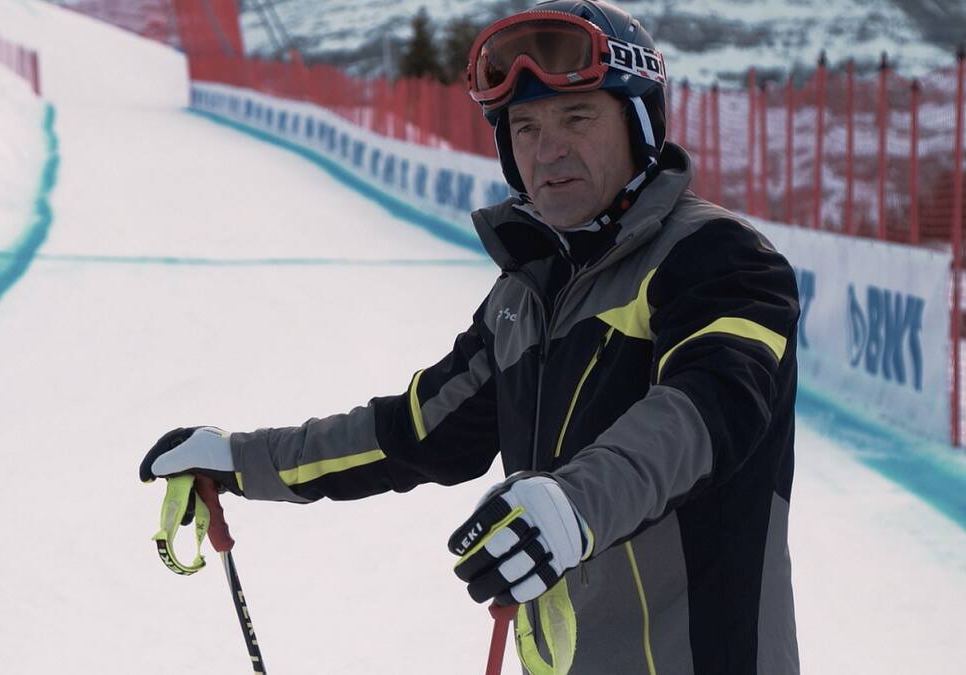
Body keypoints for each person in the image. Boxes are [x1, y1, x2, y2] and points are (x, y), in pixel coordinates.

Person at [140, 1, 801, 672]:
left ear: (637, 126)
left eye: (577, 117)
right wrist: (241, 460)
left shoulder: (721, 259)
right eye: (525, 126)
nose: (549, 149)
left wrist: (573, 504)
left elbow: (707, 408)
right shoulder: (523, 299)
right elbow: (412, 431)